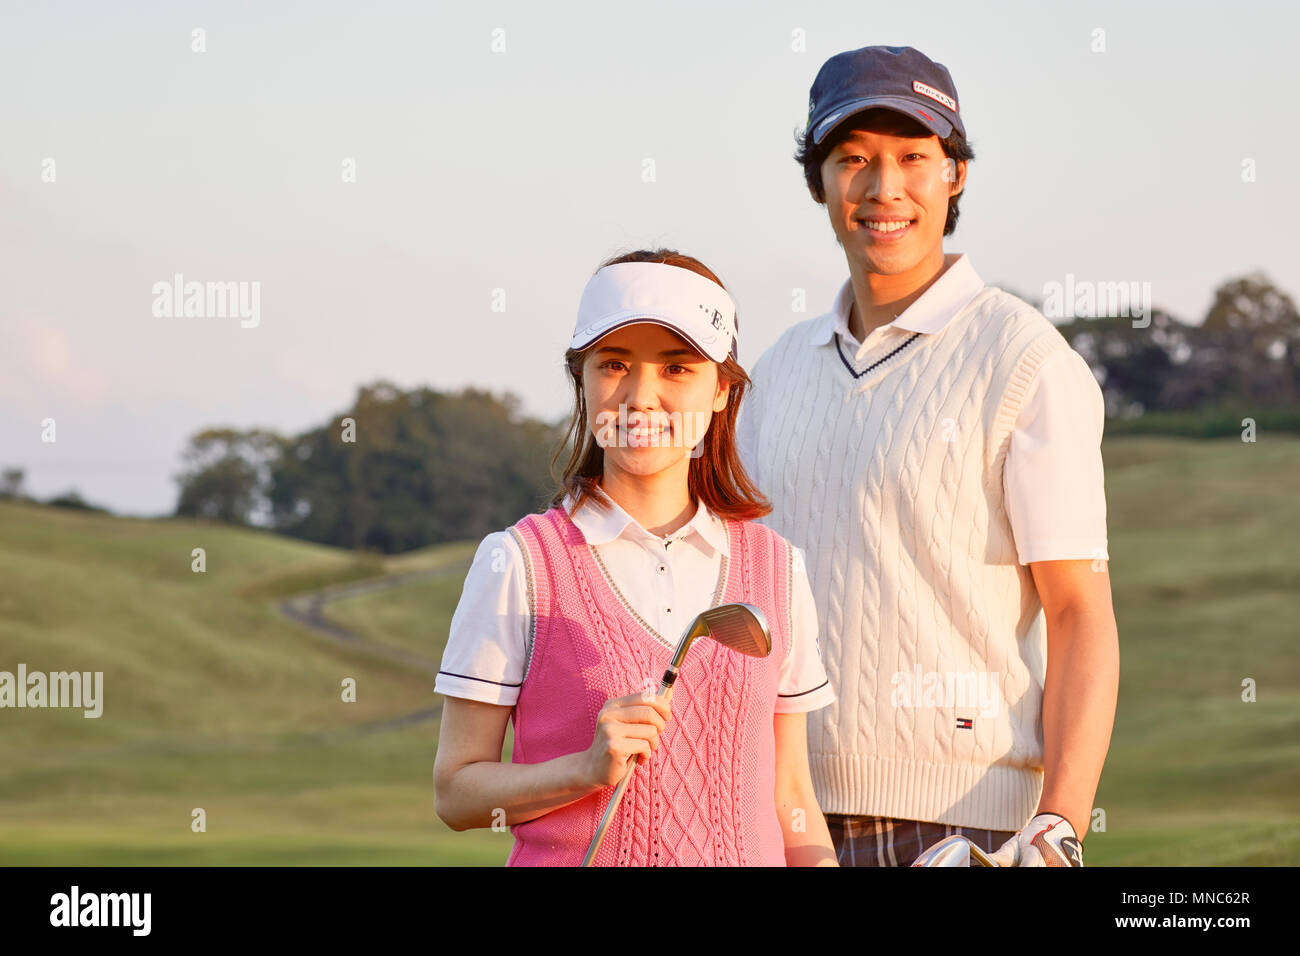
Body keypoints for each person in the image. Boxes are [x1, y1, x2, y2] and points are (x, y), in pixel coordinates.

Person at [736, 45, 1119, 866]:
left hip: (963, 827)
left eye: (913, 157)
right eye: (853, 159)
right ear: (819, 182)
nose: (885, 188)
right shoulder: (775, 371)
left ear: (956, 174)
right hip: (777, 814)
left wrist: (1060, 822)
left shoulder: (1023, 359)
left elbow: (1079, 613)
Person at [433, 248, 838, 866]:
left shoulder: (778, 568)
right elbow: (456, 793)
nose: (641, 397)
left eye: (677, 368)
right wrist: (584, 770)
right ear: (583, 378)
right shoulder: (517, 563)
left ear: (722, 390)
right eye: (615, 364)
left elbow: (791, 796)